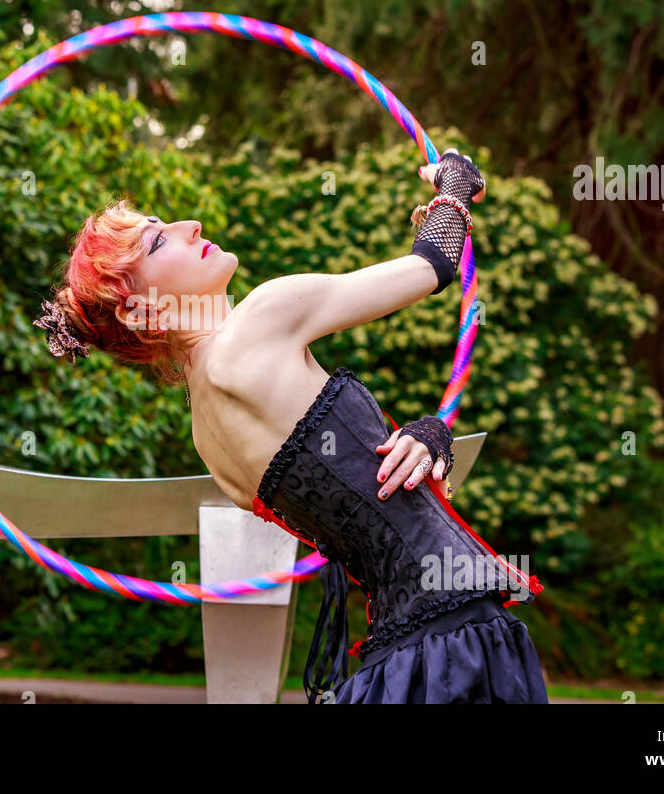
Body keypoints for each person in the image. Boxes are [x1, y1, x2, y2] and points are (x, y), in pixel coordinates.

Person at [32, 149, 548, 704]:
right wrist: (456, 187)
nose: (190, 226)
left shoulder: (207, 440)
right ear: (143, 313)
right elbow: (434, 266)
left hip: (407, 657)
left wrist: (426, 439)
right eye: (159, 241)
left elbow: (368, 498)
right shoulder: (261, 319)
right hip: (454, 642)